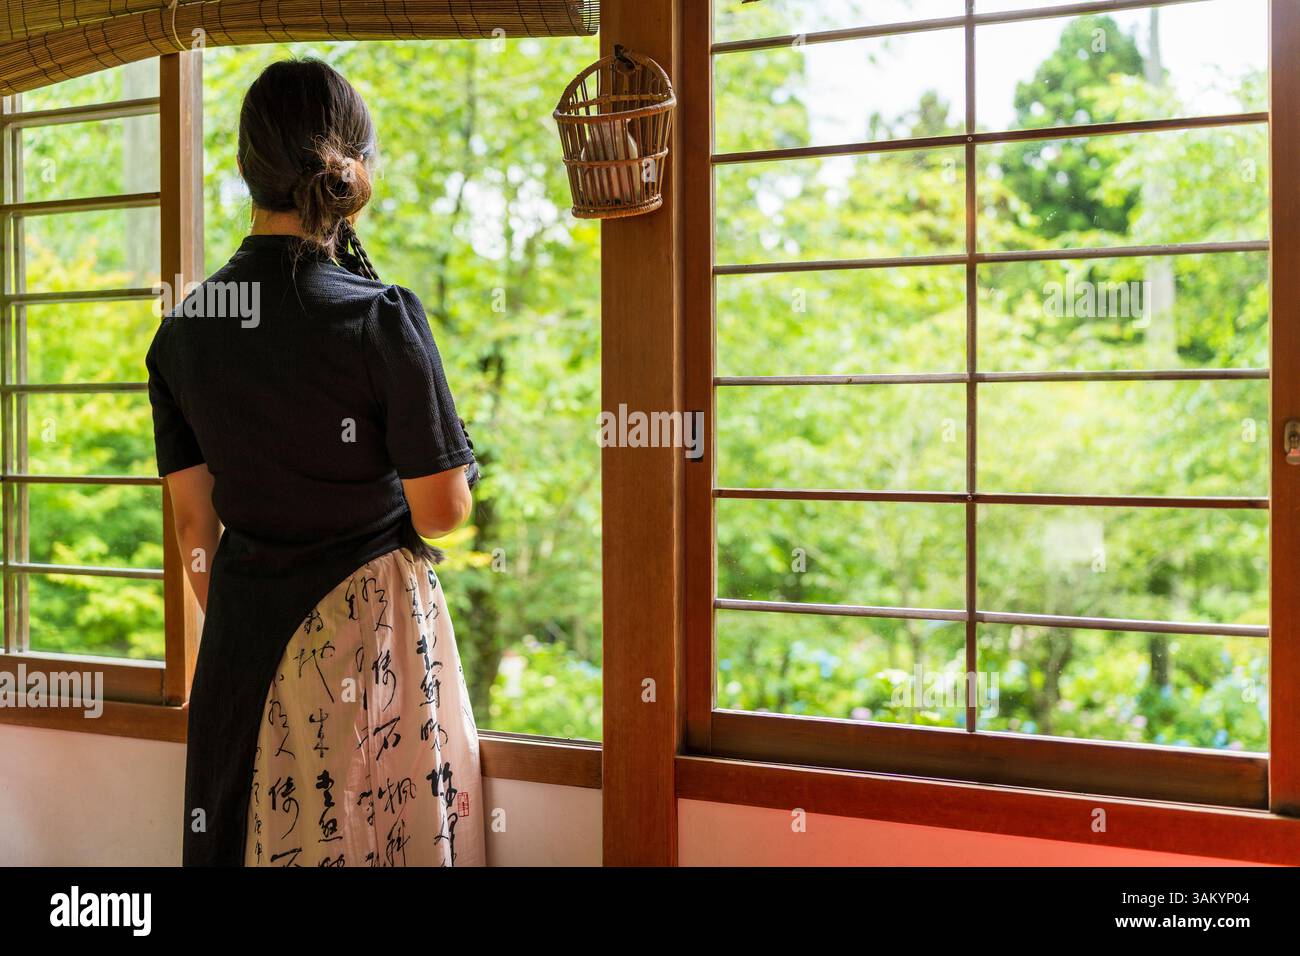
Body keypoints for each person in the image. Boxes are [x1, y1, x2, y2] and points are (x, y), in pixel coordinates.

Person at [145, 57, 485, 867]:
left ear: (246, 168)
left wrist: (263, 610)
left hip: (241, 647)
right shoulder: (379, 316)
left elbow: (198, 529)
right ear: (353, 167)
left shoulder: (184, 333)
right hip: (369, 638)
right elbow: (441, 511)